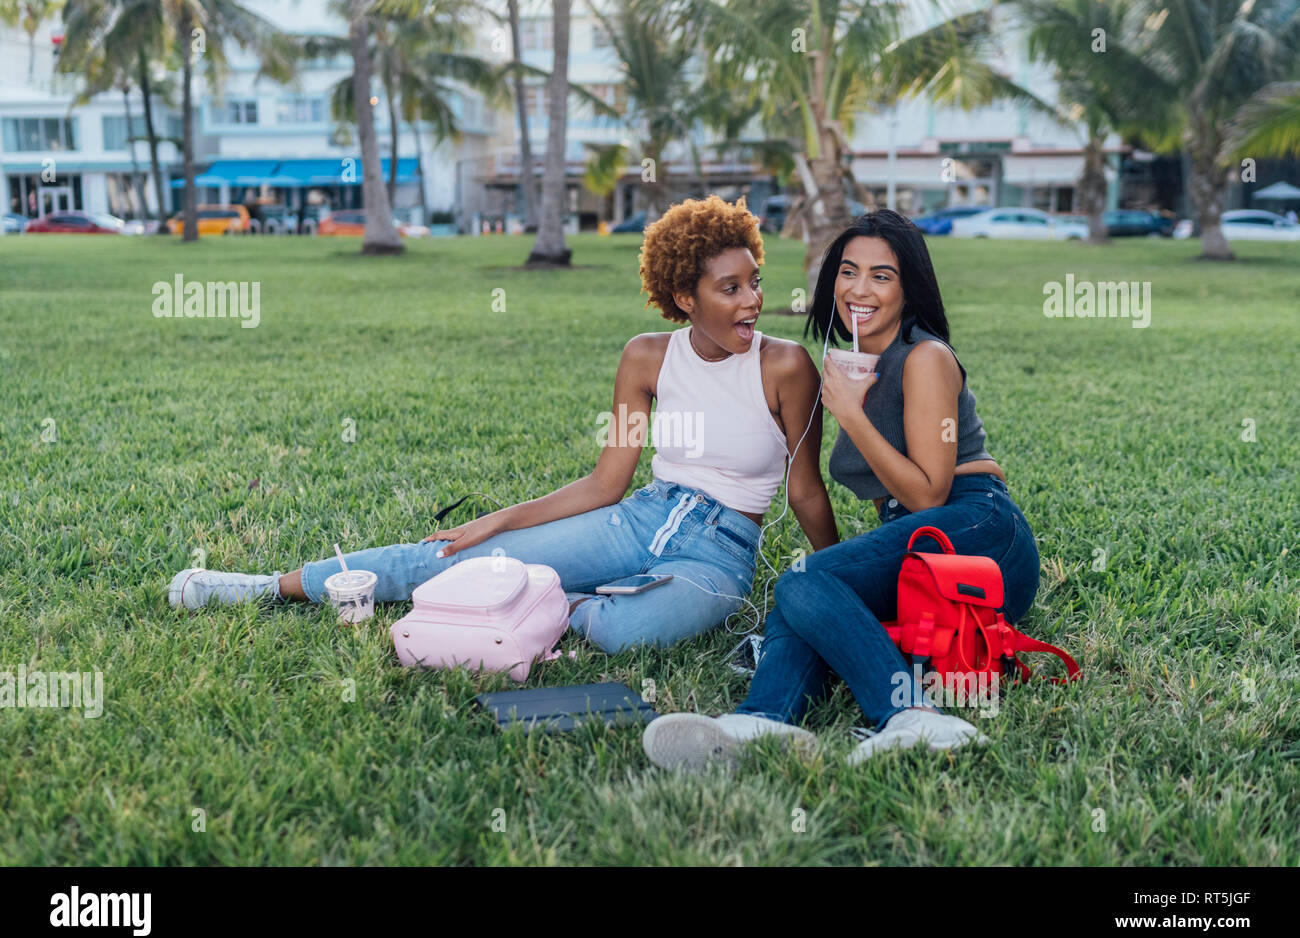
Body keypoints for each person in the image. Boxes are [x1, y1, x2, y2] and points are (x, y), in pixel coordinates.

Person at [169, 195, 838, 653]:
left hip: (719, 550)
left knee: (626, 635)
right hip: (637, 517)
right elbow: (609, 481)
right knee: (446, 558)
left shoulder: (785, 367)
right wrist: (498, 521)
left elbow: (804, 489)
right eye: (731, 288)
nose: (753, 299)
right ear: (686, 297)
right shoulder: (646, 359)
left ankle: (546, 599)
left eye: (753, 281)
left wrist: (834, 578)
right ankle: (269, 587)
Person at [642, 209, 1041, 767]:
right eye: (848, 271)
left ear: (910, 288)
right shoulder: (853, 359)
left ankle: (913, 718)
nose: (859, 289)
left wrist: (852, 414)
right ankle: (762, 721)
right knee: (805, 595)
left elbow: (928, 494)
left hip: (978, 531)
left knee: (805, 580)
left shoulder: (924, 358)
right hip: (921, 546)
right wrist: (828, 587)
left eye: (882, 276)